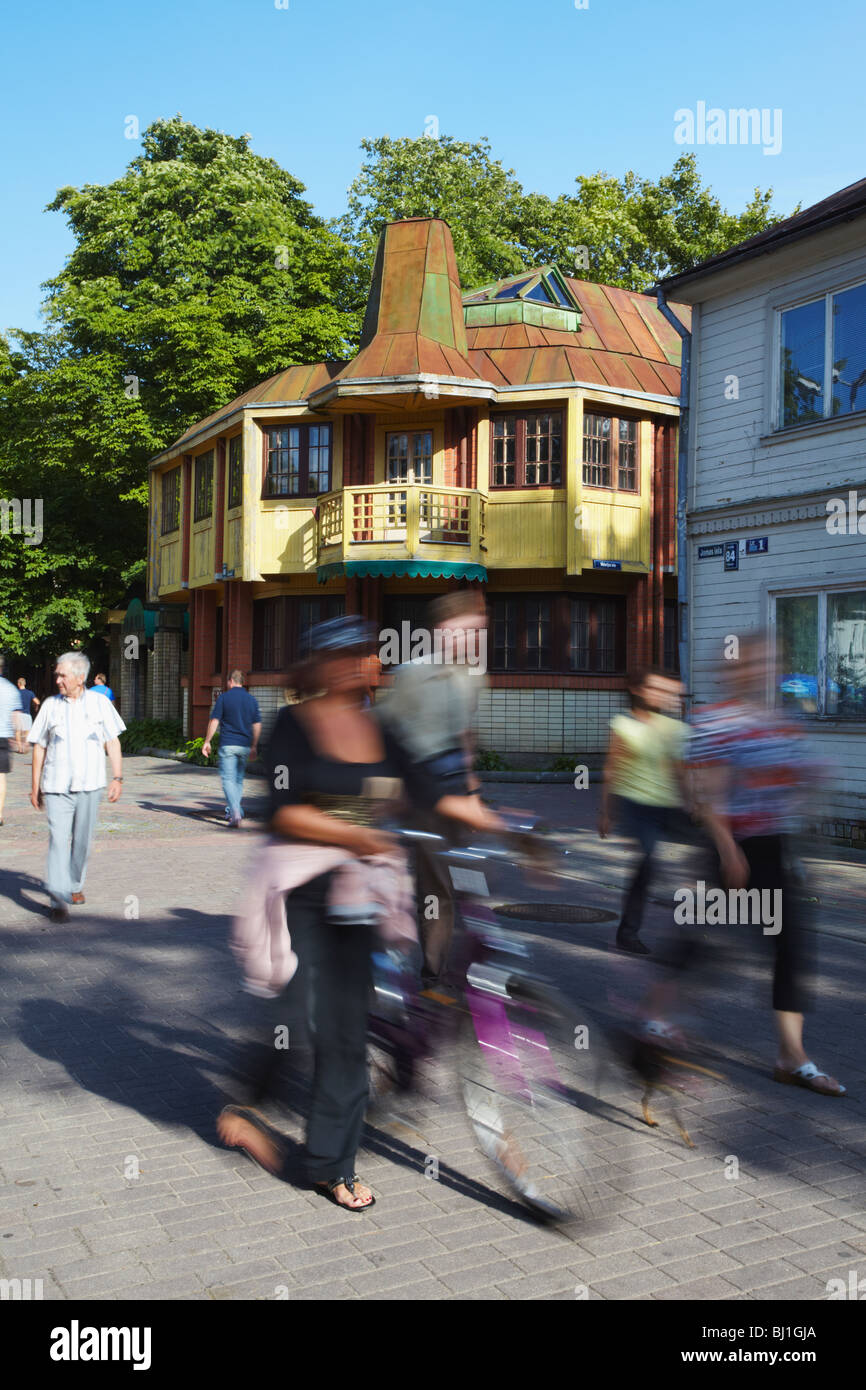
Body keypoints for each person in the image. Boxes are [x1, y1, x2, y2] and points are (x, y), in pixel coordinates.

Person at [217, 616, 498, 1212]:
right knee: (299, 1017)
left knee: (345, 1034)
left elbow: (429, 790)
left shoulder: (380, 730)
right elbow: (285, 813)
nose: (366, 663)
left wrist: (506, 827)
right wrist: (357, 836)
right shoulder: (296, 724)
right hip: (303, 892)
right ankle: (247, 1108)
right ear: (324, 664)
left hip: (357, 896)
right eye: (354, 654)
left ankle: (330, 1165)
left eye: (367, 653)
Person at [689, 633, 845, 1097]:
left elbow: (794, 778)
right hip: (732, 851)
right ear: (733, 669)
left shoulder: (782, 723)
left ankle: (791, 1057)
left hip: (773, 848)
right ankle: (654, 1025)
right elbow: (707, 797)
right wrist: (727, 849)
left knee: (792, 950)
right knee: (703, 950)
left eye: (767, 664)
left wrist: (809, 786)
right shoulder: (717, 721)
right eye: (752, 663)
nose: (760, 671)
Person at [377, 588, 493, 988]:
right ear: (443, 631)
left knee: (472, 875)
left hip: (458, 792)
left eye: (478, 632)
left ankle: (473, 960)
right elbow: (385, 732)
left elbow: (465, 737)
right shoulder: (411, 673)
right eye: (465, 631)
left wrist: (475, 794)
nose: (472, 639)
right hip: (421, 794)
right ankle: (432, 972)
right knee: (437, 885)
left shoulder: (473, 678)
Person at [28, 652, 126, 922]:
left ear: (80, 678)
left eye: (62, 675)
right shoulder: (50, 705)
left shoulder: (100, 704)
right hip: (56, 786)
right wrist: (35, 785)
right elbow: (39, 746)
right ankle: (59, 897)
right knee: (58, 842)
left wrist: (117, 777)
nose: (57, 679)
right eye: (57, 674)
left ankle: (73, 884)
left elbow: (113, 742)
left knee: (82, 842)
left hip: (90, 785)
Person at [599, 668, 690, 955]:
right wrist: (606, 812)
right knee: (648, 865)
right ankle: (628, 934)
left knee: (699, 866)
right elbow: (611, 769)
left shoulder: (675, 729)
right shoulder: (623, 726)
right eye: (654, 688)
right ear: (638, 690)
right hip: (635, 805)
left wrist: (695, 803)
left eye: (665, 690)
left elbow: (681, 771)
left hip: (668, 804)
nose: (661, 695)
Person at [202, 671, 262, 828]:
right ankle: (234, 810)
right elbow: (257, 724)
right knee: (238, 780)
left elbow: (214, 720)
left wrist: (207, 741)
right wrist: (254, 745)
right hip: (244, 745)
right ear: (242, 682)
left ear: (230, 681)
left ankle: (234, 811)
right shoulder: (251, 699)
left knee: (228, 779)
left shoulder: (224, 698)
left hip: (228, 744)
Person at [0, 658, 19, 827]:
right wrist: (18, 738)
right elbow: (15, 716)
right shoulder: (10, 688)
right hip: (3, 736)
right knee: (1, 777)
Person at [14, 677, 38, 754]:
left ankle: (20, 748)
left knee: (17, 732)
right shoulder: (30, 693)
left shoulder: (16, 693)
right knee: (27, 732)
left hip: (18, 714)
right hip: (27, 715)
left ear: (18, 684)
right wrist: (35, 707)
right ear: (25, 684)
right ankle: (26, 745)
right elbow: (37, 702)